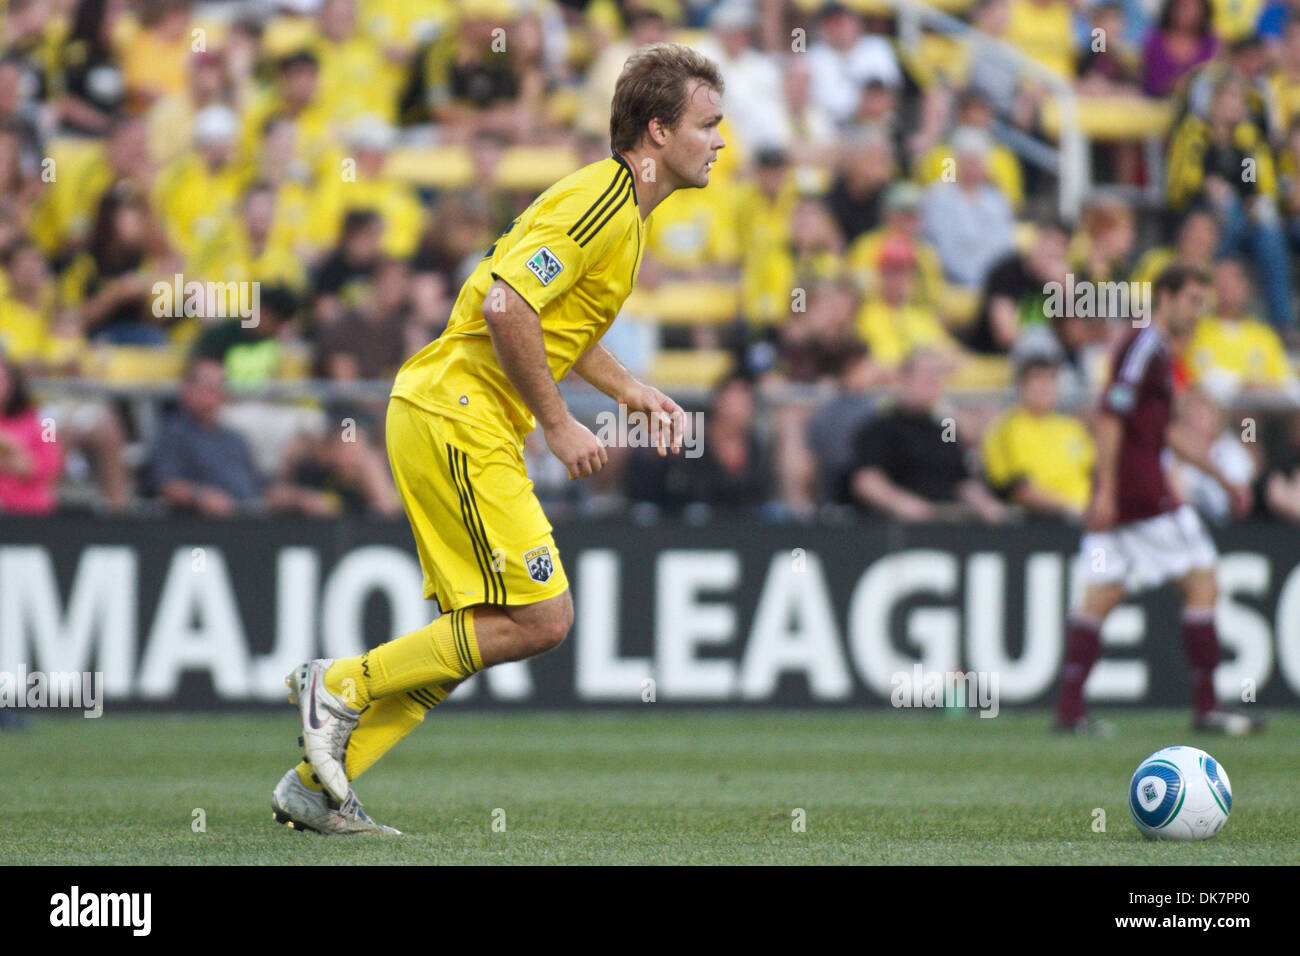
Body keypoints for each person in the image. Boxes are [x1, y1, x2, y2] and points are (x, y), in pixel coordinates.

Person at [273, 42, 723, 835]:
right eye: (708, 124)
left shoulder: (624, 217)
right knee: (542, 618)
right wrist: (557, 422)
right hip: (456, 412)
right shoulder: (602, 202)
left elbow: (558, 322)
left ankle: (316, 786)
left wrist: (631, 390)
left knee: (480, 632)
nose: (722, 140)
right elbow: (508, 307)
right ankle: (339, 683)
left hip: (457, 415)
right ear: (657, 131)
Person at [1054, 265, 1264, 736]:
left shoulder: (1160, 352)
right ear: (1165, 297)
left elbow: (1165, 429)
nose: (1197, 310)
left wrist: (1221, 475)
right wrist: (1107, 488)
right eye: (1191, 299)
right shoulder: (1145, 344)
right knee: (1204, 580)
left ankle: (1069, 712)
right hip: (1141, 493)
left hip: (1126, 489)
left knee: (1100, 594)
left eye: (1201, 302)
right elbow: (1111, 416)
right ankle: (1208, 707)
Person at [845, 348, 1008, 522]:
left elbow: (962, 479)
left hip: (949, 521)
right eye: (926, 374)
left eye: (938, 374)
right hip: (901, 526)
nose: (933, 380)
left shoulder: (947, 429)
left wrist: (988, 506)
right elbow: (866, 481)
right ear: (904, 378)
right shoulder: (880, 427)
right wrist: (901, 504)